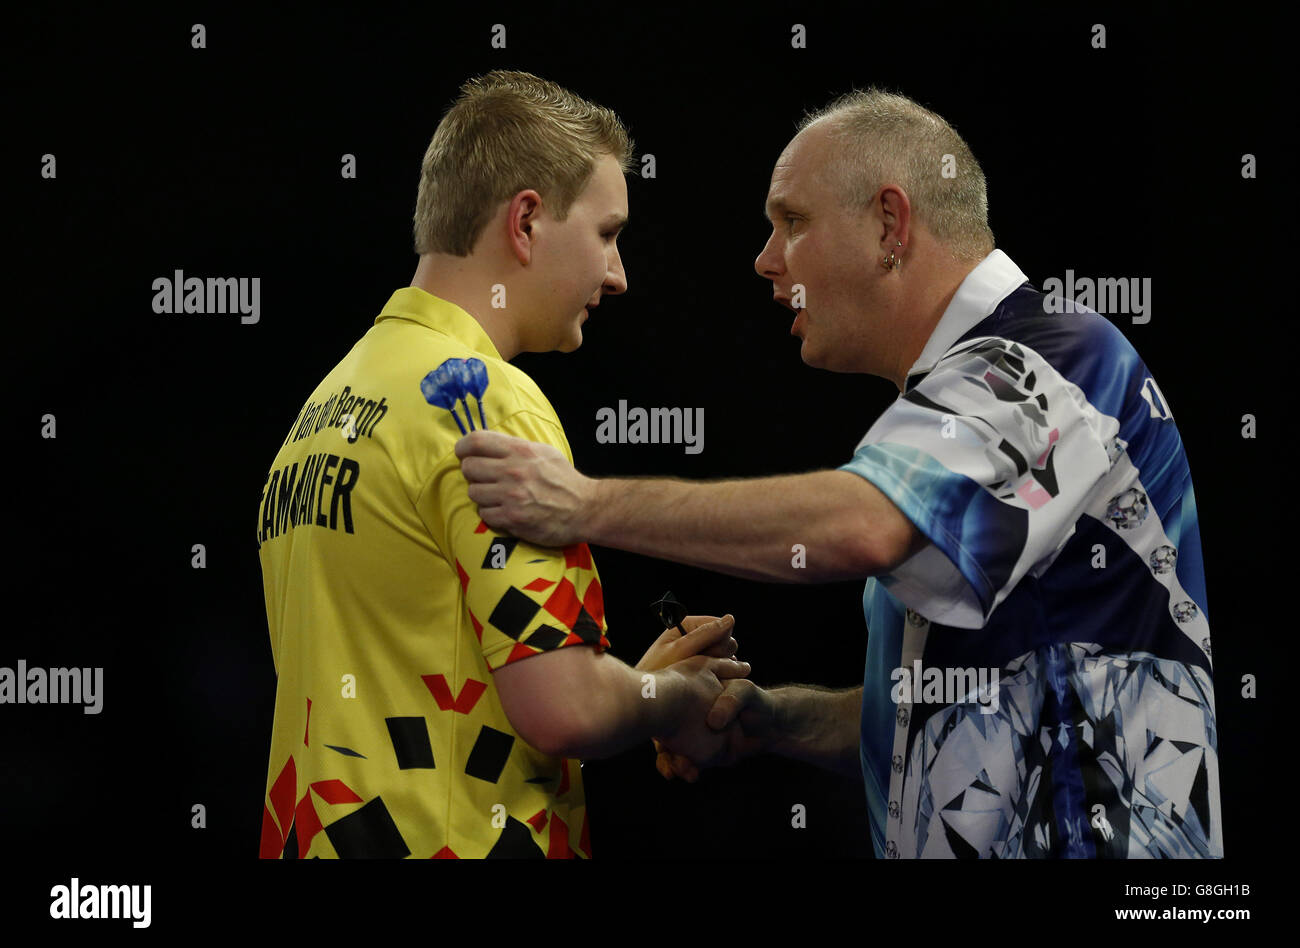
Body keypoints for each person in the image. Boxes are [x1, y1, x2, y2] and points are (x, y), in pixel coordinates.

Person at [455, 88, 1222, 859]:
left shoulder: (1051, 360)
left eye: (792, 221)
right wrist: (767, 720)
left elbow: (859, 527)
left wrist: (582, 504)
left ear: (890, 224)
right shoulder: (955, 402)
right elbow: (953, 701)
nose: (764, 259)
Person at [254, 69, 748, 860]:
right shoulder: (483, 400)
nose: (619, 275)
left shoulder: (325, 407)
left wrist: (620, 681)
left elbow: (439, 683)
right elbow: (562, 711)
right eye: (608, 232)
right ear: (525, 222)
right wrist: (672, 698)